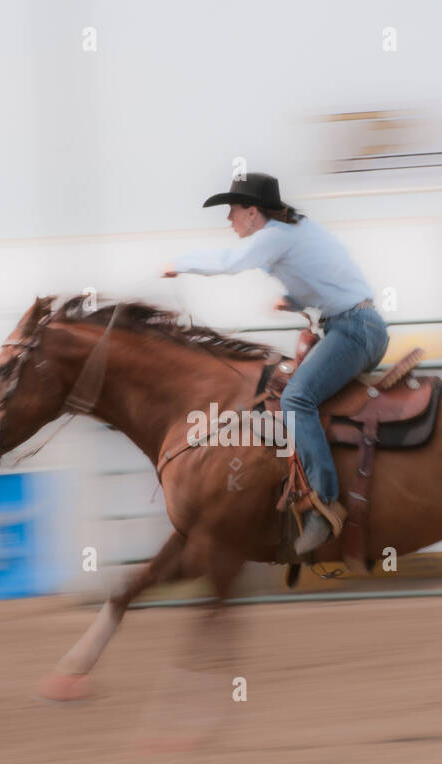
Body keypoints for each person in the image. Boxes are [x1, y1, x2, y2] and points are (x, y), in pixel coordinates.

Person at [163, 172, 389, 555]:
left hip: (352, 331)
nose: (229, 219)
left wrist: (179, 263)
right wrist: (294, 300)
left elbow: (229, 262)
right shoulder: (297, 231)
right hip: (357, 326)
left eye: (233, 210)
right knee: (297, 394)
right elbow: (330, 277)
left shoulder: (274, 236)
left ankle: (323, 503)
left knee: (296, 400)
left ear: (253, 212)